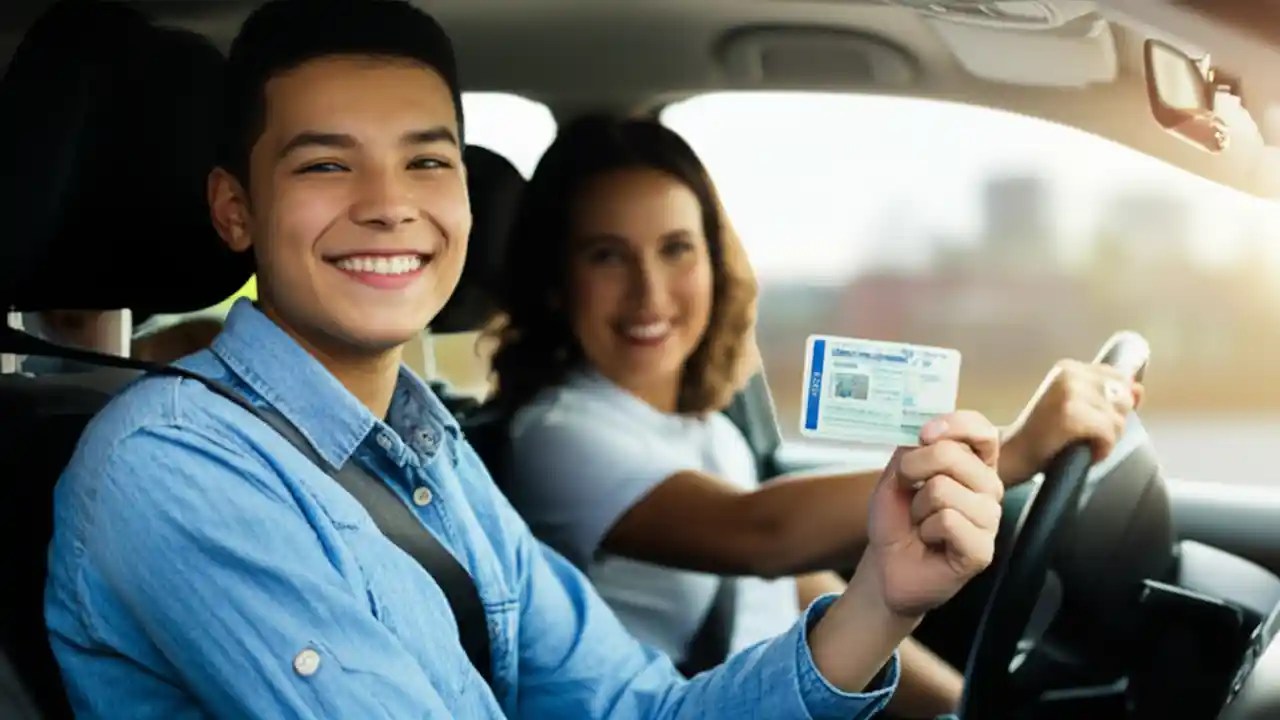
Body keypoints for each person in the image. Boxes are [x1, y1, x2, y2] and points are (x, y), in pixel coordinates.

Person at [45, 1, 1005, 717]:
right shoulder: (171, 466)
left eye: (428, 160)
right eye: (326, 163)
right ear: (234, 209)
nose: (390, 204)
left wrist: (882, 598)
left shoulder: (431, 451)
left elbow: (642, 710)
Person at [489, 116, 1144, 718]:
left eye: (677, 249)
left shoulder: (710, 431)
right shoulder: (555, 436)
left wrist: (963, 707)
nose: (649, 291)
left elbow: (792, 587)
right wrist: (1013, 447)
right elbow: (759, 533)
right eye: (606, 255)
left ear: (714, 263)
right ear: (555, 279)